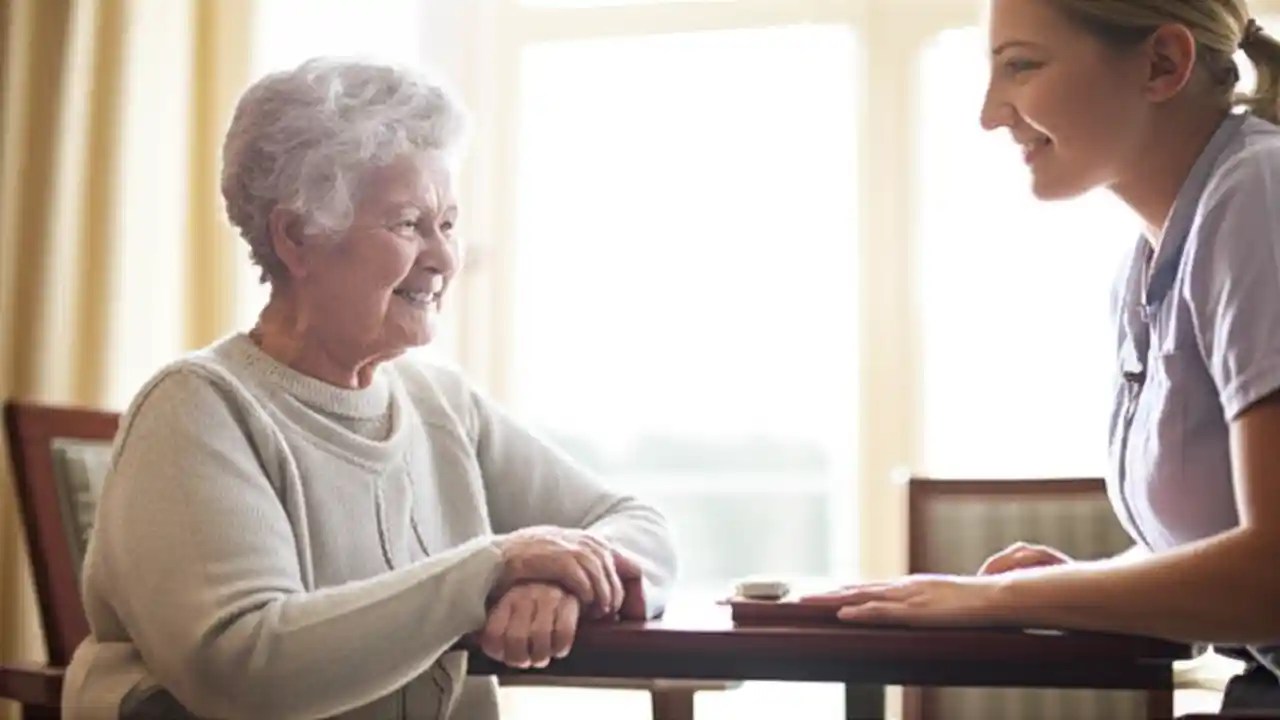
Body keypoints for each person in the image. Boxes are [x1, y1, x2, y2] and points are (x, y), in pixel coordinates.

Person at [62, 58, 678, 720]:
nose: (443, 258)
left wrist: (563, 583)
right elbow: (243, 668)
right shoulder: (199, 410)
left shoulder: (441, 405)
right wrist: (493, 570)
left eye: (448, 223)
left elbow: (640, 526)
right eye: (410, 223)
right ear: (298, 237)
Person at [801, 0, 1280, 713]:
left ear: (1163, 64)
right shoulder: (1150, 261)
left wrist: (1000, 596)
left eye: (1020, 66)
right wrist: (1084, 584)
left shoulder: (1258, 196)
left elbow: (1271, 577)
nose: (992, 113)